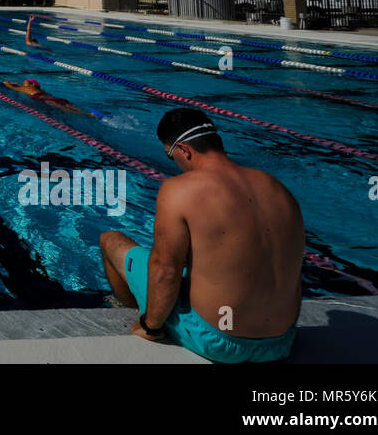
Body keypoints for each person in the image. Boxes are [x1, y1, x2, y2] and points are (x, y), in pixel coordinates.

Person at [98, 109, 305, 363]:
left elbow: (165, 271)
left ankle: (130, 310)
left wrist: (151, 326)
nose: (173, 161)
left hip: (219, 341)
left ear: (184, 150)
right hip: (280, 342)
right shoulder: (277, 187)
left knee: (110, 240)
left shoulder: (179, 190)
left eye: (169, 154)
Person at [2, 78, 89, 115]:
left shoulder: (26, 88)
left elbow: (8, 85)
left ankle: (88, 115)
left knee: (64, 109)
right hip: (57, 98)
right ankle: (88, 113)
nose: (23, 83)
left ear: (32, 84)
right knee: (71, 107)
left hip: (46, 100)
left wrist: (11, 83)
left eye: (25, 82)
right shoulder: (41, 90)